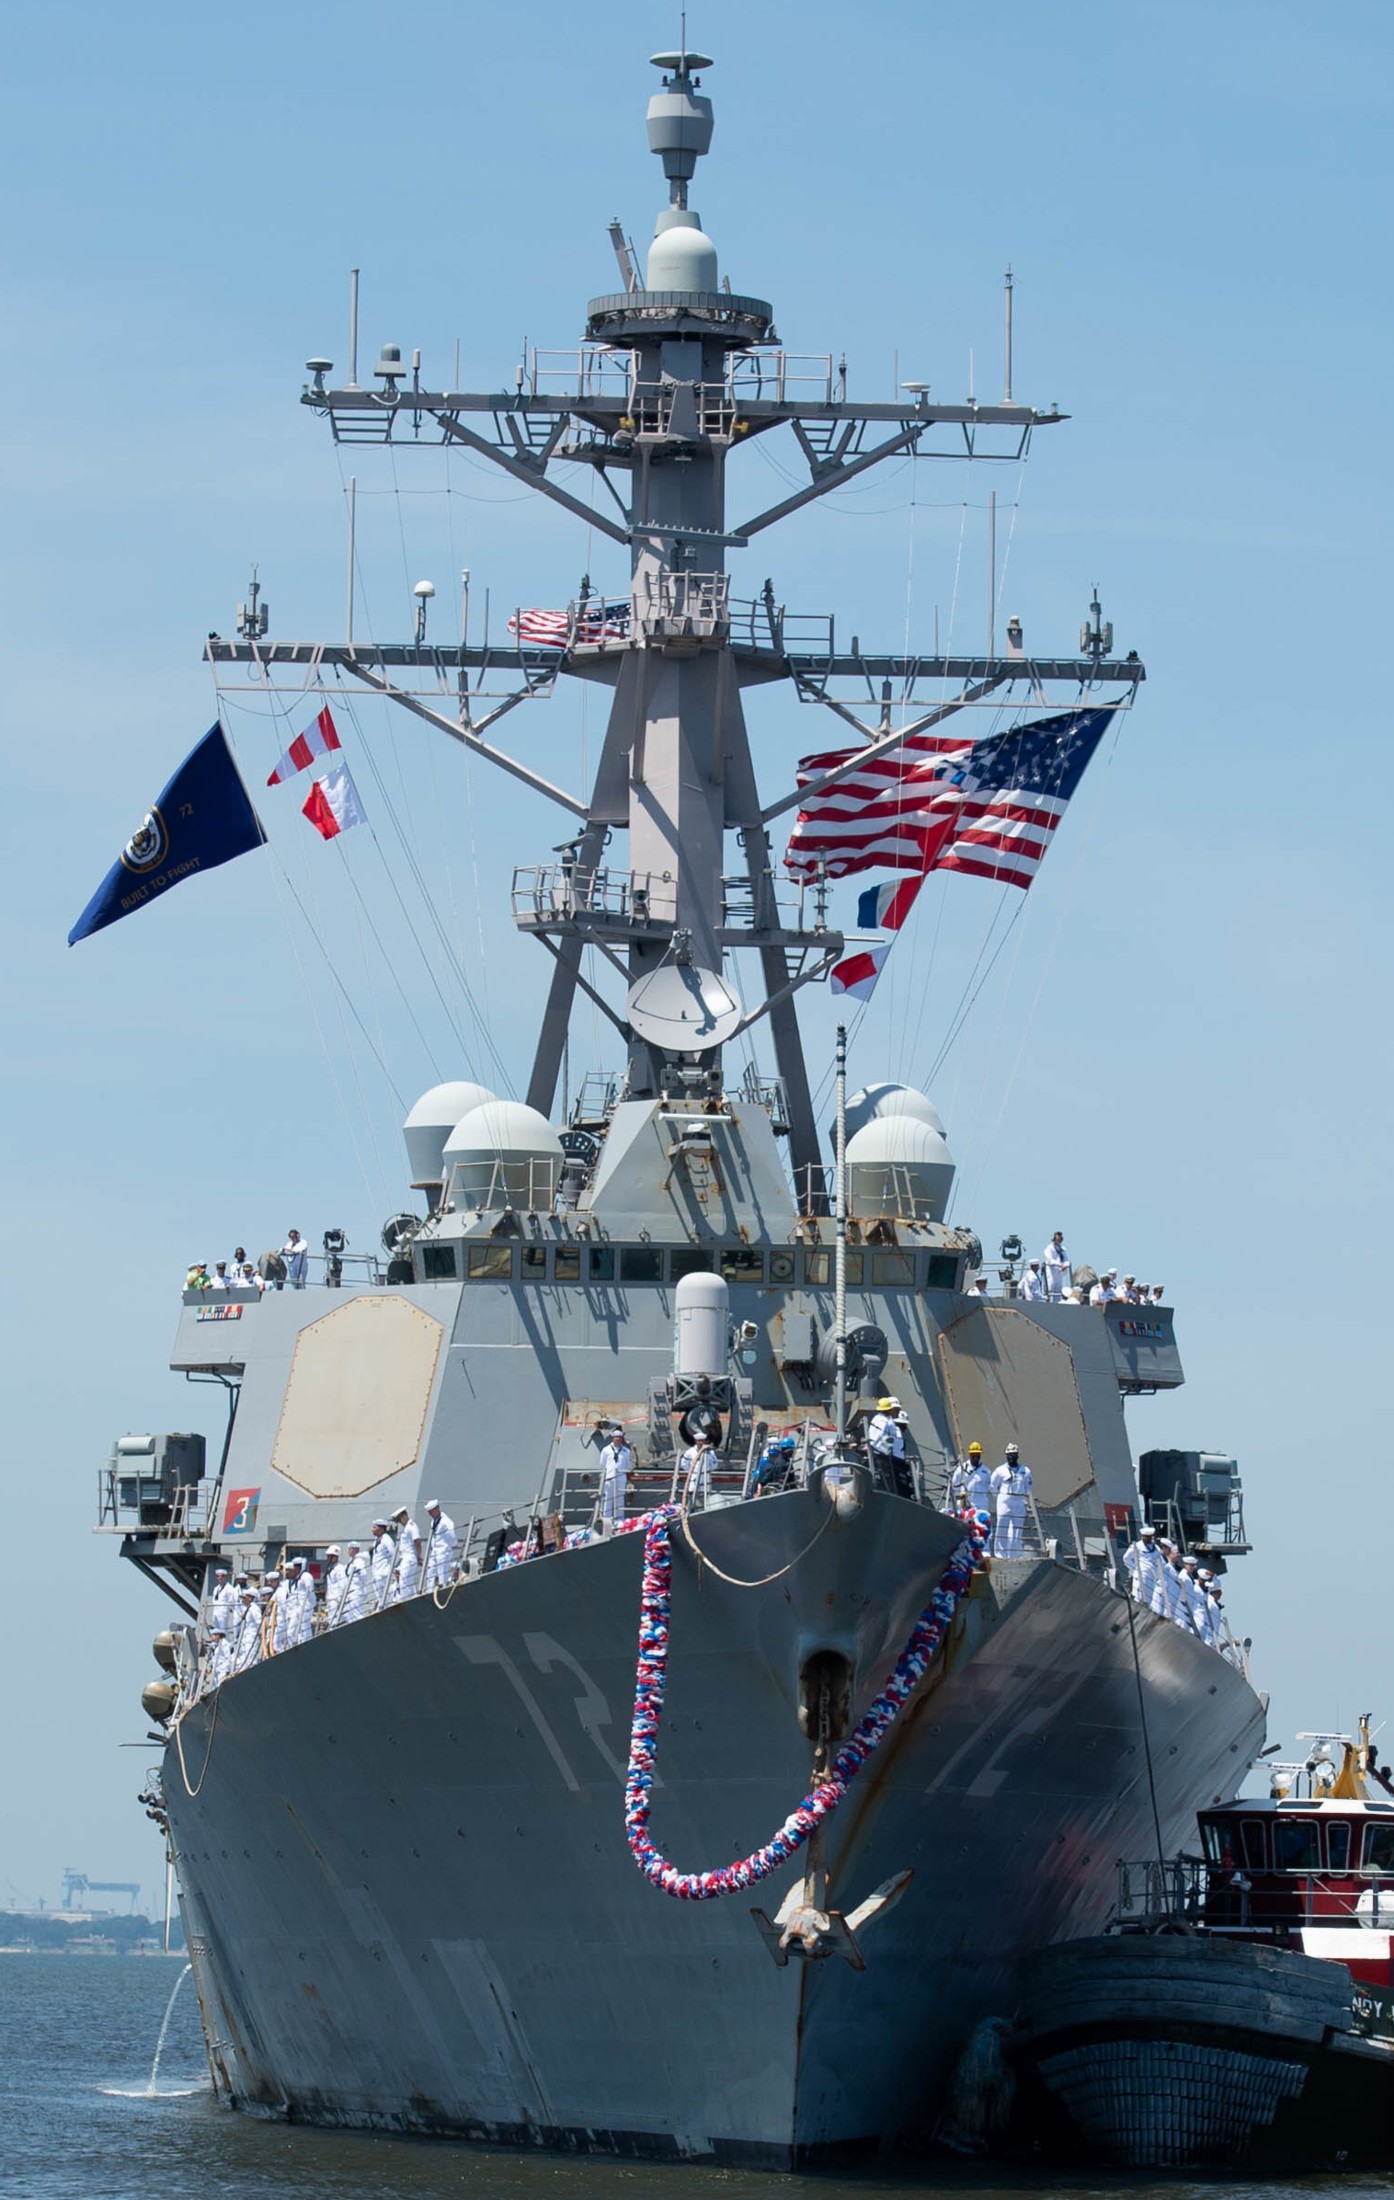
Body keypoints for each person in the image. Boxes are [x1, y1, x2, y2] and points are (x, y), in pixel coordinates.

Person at [989, 1443, 1033, 1558]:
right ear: (1006, 1456)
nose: (1011, 1457)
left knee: (1017, 1529)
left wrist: (1023, 1498)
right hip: (1004, 1501)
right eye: (1009, 1455)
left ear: (1017, 1455)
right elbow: (993, 1486)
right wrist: (1000, 1497)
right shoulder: (1000, 1470)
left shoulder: (1025, 1470)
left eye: (1013, 1455)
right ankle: (1000, 1554)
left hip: (1019, 1501)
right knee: (1002, 1527)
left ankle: (1015, 1554)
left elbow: (1028, 1486)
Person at [866, 1397, 908, 1492]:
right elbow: (876, 1438)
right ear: (890, 1410)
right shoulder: (881, 1421)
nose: (898, 1412)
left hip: (893, 1458)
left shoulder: (886, 1421)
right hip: (884, 1456)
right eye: (896, 1410)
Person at [596, 1428, 633, 1528]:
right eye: (616, 1437)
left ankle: (619, 1520)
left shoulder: (626, 1451)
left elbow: (628, 1466)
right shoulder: (606, 1450)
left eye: (619, 1438)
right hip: (609, 1477)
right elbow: (602, 1464)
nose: (618, 1439)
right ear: (612, 1438)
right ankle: (606, 1519)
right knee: (608, 1498)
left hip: (621, 1478)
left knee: (620, 1498)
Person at [1123, 1523, 1163, 1606]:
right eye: (1146, 1536)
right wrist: (1136, 1568)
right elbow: (1126, 1558)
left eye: (1150, 1537)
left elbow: (1160, 1560)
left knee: (1150, 1598)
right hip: (1141, 1575)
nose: (1148, 1538)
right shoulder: (1137, 1546)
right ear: (1142, 1536)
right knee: (1139, 1597)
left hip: (1153, 1576)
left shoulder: (1155, 1547)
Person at [950, 1441, 992, 1519]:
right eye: (973, 1454)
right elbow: (955, 1485)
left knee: (980, 1524)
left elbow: (989, 1487)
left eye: (977, 1454)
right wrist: (961, 1497)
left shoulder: (986, 1471)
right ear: (970, 1455)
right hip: (964, 1498)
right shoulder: (961, 1469)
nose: (975, 1457)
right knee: (962, 1522)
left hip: (981, 1501)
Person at [423, 1500, 458, 1589]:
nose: (430, 1514)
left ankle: (443, 1589)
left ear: (437, 1509)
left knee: (442, 1574)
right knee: (430, 1573)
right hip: (435, 1551)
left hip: (443, 1551)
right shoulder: (433, 1521)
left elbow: (452, 1536)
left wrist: (452, 1545)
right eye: (429, 1512)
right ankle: (429, 1591)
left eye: (431, 1512)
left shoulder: (446, 1521)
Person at [390, 1507, 423, 1601]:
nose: (399, 1522)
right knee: (406, 1582)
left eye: (399, 1519)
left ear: (404, 1515)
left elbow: (417, 1542)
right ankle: (410, 1599)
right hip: (405, 1558)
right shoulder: (407, 1527)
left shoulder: (411, 1526)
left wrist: (419, 1557)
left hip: (409, 1557)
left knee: (404, 1581)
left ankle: (406, 1600)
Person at [336, 1541, 369, 1625]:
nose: (348, 1550)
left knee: (356, 1613)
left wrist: (358, 1586)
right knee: (350, 1615)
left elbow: (363, 1576)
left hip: (356, 1591)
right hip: (350, 1592)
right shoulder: (351, 1561)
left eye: (350, 1549)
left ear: (355, 1550)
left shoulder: (358, 1561)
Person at [682, 1435, 715, 1510]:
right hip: (694, 1478)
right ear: (696, 1441)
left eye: (703, 1441)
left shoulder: (710, 1452)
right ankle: (691, 1510)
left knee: (705, 1498)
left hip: (705, 1479)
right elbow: (684, 1465)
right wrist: (692, 1472)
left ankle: (704, 1510)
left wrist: (706, 1470)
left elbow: (714, 1464)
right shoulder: (690, 1452)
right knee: (692, 1497)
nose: (701, 1442)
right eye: (699, 1441)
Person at [370, 1518, 395, 1608]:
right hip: (377, 1573)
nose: (372, 1529)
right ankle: (381, 1608)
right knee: (379, 1596)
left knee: (387, 1595)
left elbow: (393, 1553)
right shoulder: (377, 1540)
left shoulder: (386, 1540)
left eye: (374, 1527)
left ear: (381, 1528)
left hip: (384, 1572)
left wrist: (393, 1569)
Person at [1043, 1232, 1070, 1302]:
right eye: (1057, 1239)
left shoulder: (1063, 1249)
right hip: (1051, 1272)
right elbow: (1050, 1260)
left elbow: (1066, 1260)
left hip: (1060, 1273)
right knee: (1050, 1289)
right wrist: (1060, 1265)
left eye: (1060, 1239)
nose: (1059, 1241)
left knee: (1058, 1291)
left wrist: (1066, 1265)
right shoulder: (1049, 1248)